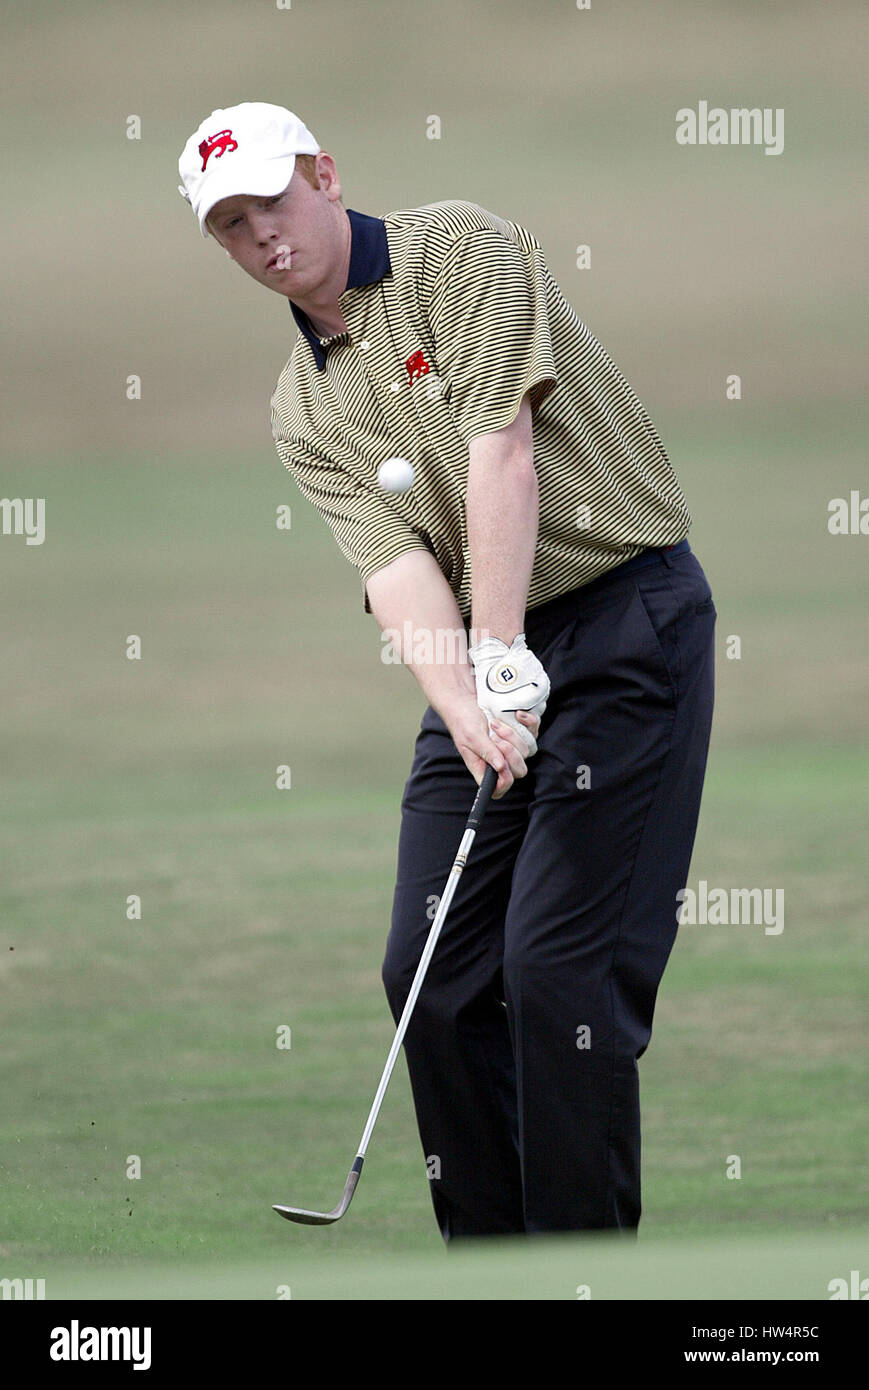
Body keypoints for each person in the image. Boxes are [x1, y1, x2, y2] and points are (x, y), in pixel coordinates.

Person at [178, 102, 716, 1239]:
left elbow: (502, 449)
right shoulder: (300, 404)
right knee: (429, 966)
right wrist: (464, 701)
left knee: (558, 973)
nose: (261, 234)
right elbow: (396, 569)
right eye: (231, 223)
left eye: (271, 200)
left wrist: (499, 650)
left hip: (620, 622)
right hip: (483, 645)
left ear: (325, 175)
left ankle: (579, 1267)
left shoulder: (454, 249)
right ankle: (485, 1266)